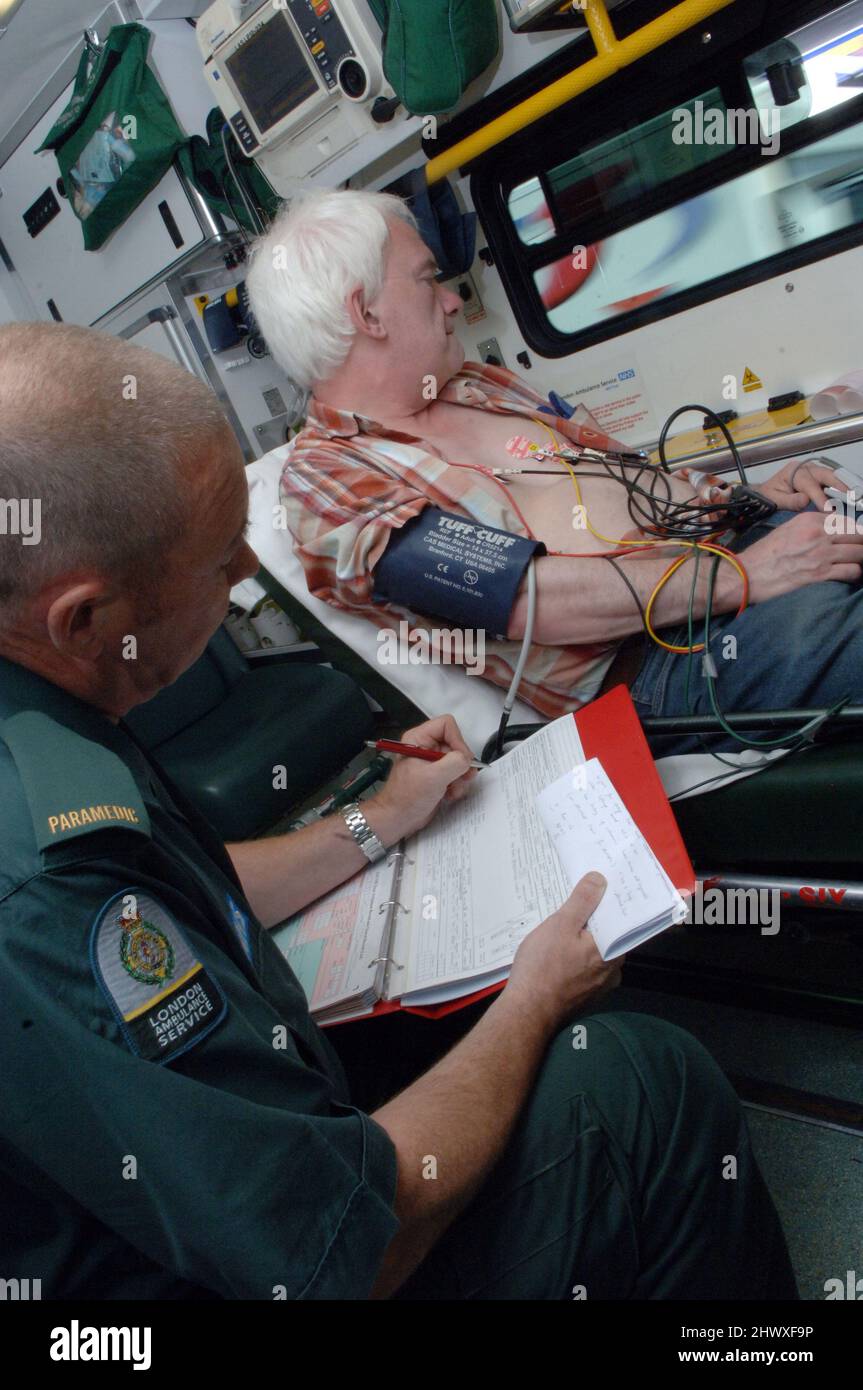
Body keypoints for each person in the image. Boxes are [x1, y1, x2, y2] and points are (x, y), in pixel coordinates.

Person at [0, 322, 796, 1300]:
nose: (247, 574)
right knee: (638, 1083)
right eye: (217, 563)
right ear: (84, 619)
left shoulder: (47, 713)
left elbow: (185, 884)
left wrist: (379, 817)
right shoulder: (43, 871)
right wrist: (535, 996)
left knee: (429, 1040)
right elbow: (331, 1250)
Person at [246, 188, 863, 738]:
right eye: (426, 279)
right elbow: (520, 595)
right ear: (367, 313)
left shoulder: (473, 382)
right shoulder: (328, 483)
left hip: (734, 554)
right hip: (667, 653)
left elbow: (628, 480)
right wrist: (743, 577)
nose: (452, 301)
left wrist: (750, 496)